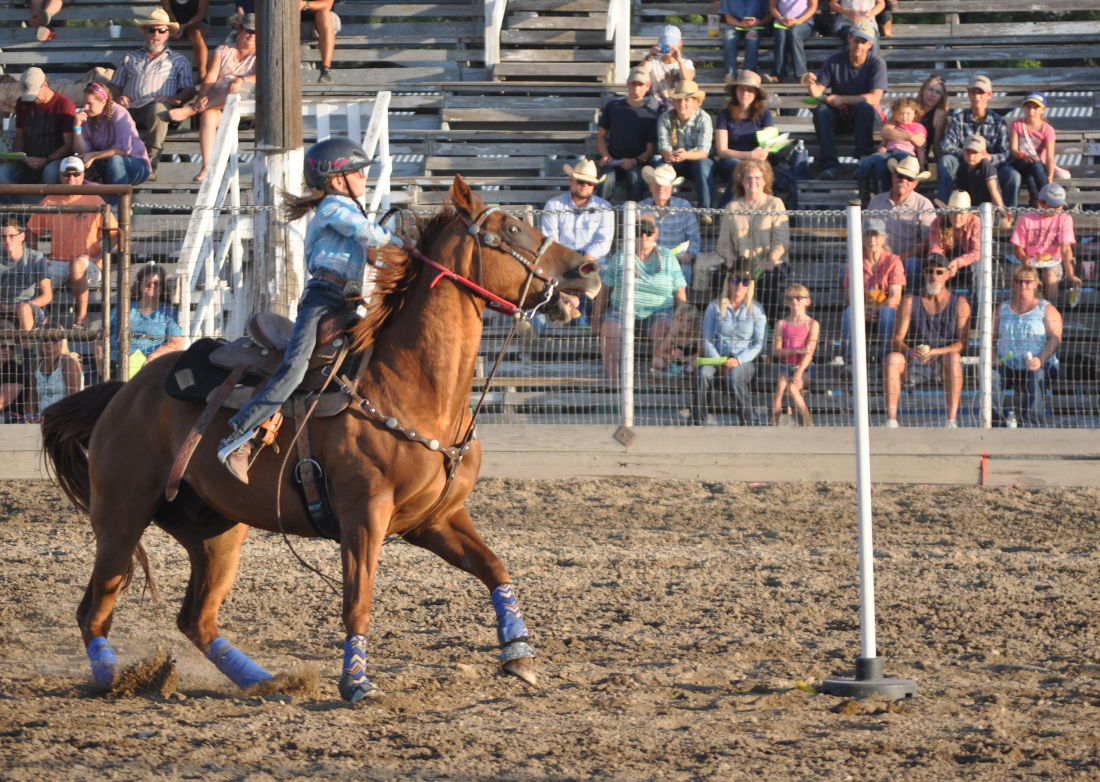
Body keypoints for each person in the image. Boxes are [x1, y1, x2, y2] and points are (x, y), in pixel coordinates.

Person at [217, 137, 397, 483]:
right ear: (336, 179)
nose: (364, 178)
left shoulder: (348, 207)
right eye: (358, 172)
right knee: (295, 367)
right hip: (321, 300)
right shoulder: (333, 208)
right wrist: (405, 245)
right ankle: (238, 434)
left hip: (345, 302)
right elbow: (370, 236)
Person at [27, 156, 119, 329]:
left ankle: (81, 319)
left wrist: (100, 256)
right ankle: (41, 322)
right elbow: (31, 231)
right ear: (60, 176)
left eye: (76, 174)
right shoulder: (50, 200)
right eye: (67, 174)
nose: (71, 178)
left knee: (76, 265)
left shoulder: (95, 199)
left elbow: (114, 233)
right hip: (59, 261)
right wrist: (37, 258)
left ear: (83, 175)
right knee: (35, 277)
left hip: (88, 263)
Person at [883, 254, 971, 428]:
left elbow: (963, 343)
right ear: (923, 274)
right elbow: (897, 339)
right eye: (929, 271)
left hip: (943, 359)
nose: (934, 276)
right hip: (915, 359)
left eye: (939, 272)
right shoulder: (910, 301)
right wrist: (909, 351)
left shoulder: (959, 302)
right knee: (893, 359)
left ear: (947, 274)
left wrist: (936, 352)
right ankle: (891, 420)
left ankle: (951, 420)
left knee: (954, 358)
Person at [167, 14, 257, 182]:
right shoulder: (223, 50)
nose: (252, 35)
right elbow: (210, 77)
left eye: (256, 32)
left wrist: (242, 79)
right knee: (208, 115)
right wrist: (202, 96)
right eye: (249, 30)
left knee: (237, 89)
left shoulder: (260, 54)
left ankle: (191, 110)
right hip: (215, 104)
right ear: (240, 29)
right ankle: (207, 166)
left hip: (243, 103)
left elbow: (261, 76)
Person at [110, 8, 197, 177]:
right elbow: (115, 85)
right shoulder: (130, 57)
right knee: (108, 110)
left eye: (161, 30)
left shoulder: (178, 60)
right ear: (145, 32)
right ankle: (108, 166)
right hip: (130, 108)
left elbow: (189, 90)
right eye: (151, 29)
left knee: (158, 110)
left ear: (168, 33)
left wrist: (173, 100)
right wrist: (119, 97)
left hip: (159, 110)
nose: (156, 34)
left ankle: (150, 162)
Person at [598, 214, 687, 380]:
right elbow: (604, 290)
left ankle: (659, 379)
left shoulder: (668, 257)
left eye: (648, 231)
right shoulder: (620, 257)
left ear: (656, 234)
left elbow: (680, 293)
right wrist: (597, 320)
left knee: (665, 327)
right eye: (639, 231)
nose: (644, 236)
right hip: (621, 308)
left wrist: (683, 320)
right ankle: (614, 381)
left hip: (659, 309)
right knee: (610, 328)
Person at [802, 20, 886, 180]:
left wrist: (842, 99)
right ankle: (829, 165)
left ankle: (863, 161)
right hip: (841, 116)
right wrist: (810, 83)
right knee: (821, 111)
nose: (859, 46)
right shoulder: (834, 61)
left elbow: (875, 97)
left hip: (866, 118)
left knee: (864, 107)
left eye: (864, 42)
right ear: (849, 38)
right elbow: (817, 92)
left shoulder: (877, 63)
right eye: (856, 40)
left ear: (870, 44)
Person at [540, 159, 615, 326]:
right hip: (562, 255)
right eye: (581, 181)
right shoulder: (553, 204)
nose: (585, 185)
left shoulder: (605, 207)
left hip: (591, 257)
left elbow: (604, 242)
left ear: (594, 186)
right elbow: (550, 238)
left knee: (600, 269)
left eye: (589, 183)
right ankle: (573, 316)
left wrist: (584, 260)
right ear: (571, 181)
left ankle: (577, 314)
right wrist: (569, 259)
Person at [714, 159, 789, 320]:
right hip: (739, 263)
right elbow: (723, 242)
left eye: (757, 177)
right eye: (748, 177)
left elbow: (781, 239)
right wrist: (729, 259)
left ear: (765, 180)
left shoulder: (775, 204)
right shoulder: (731, 207)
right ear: (741, 181)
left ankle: (769, 323)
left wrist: (772, 259)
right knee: (719, 276)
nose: (752, 181)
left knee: (769, 278)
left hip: (768, 262)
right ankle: (724, 320)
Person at [694, 269, 767, 425]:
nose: (740, 285)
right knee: (704, 374)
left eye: (745, 282)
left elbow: (758, 343)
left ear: (750, 285)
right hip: (718, 357)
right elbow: (707, 339)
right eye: (735, 280)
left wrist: (738, 360)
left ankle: (748, 420)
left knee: (735, 377)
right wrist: (720, 361)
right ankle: (698, 419)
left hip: (744, 360)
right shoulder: (714, 306)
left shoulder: (756, 309)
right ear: (728, 282)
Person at [993, 264, 1062, 427]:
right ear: (1013, 283)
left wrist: (1041, 358)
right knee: (991, 375)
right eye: (1018, 281)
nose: (1023, 285)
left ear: (1037, 283)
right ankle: (995, 422)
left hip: (1039, 363)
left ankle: (1032, 424)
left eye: (1028, 281)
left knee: (1036, 374)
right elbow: (991, 337)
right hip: (1007, 363)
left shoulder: (1047, 309)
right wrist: (993, 356)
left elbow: (1055, 338)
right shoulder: (1002, 308)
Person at [938, 74, 1019, 207]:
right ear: (968, 94)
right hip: (963, 167)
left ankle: (1009, 218)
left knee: (1013, 176)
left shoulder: (998, 122)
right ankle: (943, 212)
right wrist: (967, 154)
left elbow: (1006, 155)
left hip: (990, 168)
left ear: (989, 95)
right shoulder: (959, 119)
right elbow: (946, 145)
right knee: (946, 161)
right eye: (973, 92)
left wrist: (989, 158)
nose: (976, 96)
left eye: (981, 92)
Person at [0, 68, 75, 201]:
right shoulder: (22, 103)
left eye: (35, 94)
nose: (33, 99)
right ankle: (15, 215)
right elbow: (20, 135)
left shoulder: (64, 104)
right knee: (3, 173)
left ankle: (46, 213)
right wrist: (16, 156)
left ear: (45, 85)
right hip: (28, 160)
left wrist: (46, 160)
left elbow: (68, 144)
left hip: (54, 160)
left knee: (51, 173)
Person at [866, 155, 935, 292]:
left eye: (909, 178)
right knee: (849, 269)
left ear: (916, 182)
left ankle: (910, 304)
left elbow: (928, 241)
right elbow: (864, 234)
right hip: (876, 259)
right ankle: (863, 308)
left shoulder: (924, 204)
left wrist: (899, 258)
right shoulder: (875, 201)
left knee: (913, 265)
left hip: (908, 260)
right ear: (893, 176)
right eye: (900, 175)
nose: (903, 180)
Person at [841, 217, 904, 363]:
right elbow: (849, 296)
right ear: (862, 238)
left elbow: (895, 296)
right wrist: (863, 309)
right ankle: (850, 362)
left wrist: (878, 309)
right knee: (850, 312)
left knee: (888, 313)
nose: (872, 240)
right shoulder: (854, 260)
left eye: (876, 235)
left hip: (885, 311)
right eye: (868, 235)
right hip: (862, 310)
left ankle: (885, 360)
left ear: (884, 238)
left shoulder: (894, 260)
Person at [108, 262, 184, 377]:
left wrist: (153, 357)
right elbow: (103, 335)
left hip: (151, 366)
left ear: (162, 287)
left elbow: (176, 343)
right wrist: (100, 358)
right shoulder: (124, 307)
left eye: (156, 283)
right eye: (147, 282)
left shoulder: (167, 312)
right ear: (139, 285)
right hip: (116, 362)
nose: (152, 286)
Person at [595, 67, 659, 203]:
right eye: (633, 83)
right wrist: (606, 156)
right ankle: (600, 214)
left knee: (635, 177)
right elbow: (601, 136)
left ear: (647, 86)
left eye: (640, 84)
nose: (636, 87)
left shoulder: (651, 115)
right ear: (628, 84)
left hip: (637, 163)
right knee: (606, 179)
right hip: (613, 161)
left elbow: (650, 149)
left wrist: (635, 161)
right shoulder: (613, 107)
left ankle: (634, 218)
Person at [72, 82, 152, 190]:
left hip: (135, 164)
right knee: (69, 166)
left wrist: (94, 155)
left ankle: (117, 205)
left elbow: (122, 150)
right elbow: (83, 153)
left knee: (115, 160)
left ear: (103, 102)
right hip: (104, 165)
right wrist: (77, 128)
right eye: (84, 103)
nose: (85, 107)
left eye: (89, 104)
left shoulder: (119, 113)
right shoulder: (86, 117)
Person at [1009, 183, 1080, 304]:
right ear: (1041, 203)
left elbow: (1066, 248)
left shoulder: (1065, 218)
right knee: (1028, 278)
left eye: (1060, 205)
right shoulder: (1026, 219)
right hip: (1031, 262)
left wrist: (1070, 274)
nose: (1058, 209)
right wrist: (1024, 258)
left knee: (1050, 275)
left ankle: (1051, 308)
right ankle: (1031, 310)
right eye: (1054, 205)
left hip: (1054, 262)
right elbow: (1018, 249)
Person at [714, 70, 775, 204]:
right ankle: (723, 210)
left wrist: (755, 157)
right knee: (738, 167)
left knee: (755, 171)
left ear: (756, 93)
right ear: (735, 91)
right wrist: (749, 154)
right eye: (741, 89)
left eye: (749, 90)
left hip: (757, 162)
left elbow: (767, 146)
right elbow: (722, 151)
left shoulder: (765, 114)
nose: (745, 93)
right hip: (730, 162)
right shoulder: (724, 115)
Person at [656, 80, 715, 213]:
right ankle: (660, 208)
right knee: (660, 166)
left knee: (703, 164)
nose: (682, 104)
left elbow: (704, 151)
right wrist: (668, 154)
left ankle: (706, 211)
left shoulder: (703, 118)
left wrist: (686, 155)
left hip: (696, 161)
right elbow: (663, 145)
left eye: (686, 100)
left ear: (695, 101)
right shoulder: (665, 117)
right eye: (678, 100)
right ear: (674, 102)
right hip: (674, 161)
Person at [637, 164, 701, 285]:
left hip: (676, 262)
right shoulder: (640, 208)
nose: (661, 187)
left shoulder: (684, 207)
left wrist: (689, 254)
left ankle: (678, 304)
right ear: (650, 186)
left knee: (684, 272)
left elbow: (695, 239)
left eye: (665, 184)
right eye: (657, 183)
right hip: (645, 261)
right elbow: (630, 239)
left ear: (672, 187)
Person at [854, 96, 926, 200]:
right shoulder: (894, 125)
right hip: (889, 152)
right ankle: (864, 189)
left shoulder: (918, 127)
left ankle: (893, 195)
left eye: (908, 113)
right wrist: (881, 150)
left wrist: (921, 165)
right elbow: (884, 142)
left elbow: (920, 146)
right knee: (868, 162)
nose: (905, 117)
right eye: (902, 113)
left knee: (903, 164)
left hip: (905, 153)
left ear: (915, 114)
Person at [770, 283, 819, 426]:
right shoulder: (782, 324)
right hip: (785, 366)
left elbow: (809, 353)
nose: (795, 301)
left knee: (792, 387)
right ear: (786, 302)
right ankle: (774, 419)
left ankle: (806, 419)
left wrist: (799, 372)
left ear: (807, 301)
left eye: (799, 298)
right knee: (780, 387)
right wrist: (796, 350)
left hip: (806, 367)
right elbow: (776, 351)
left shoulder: (812, 324)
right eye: (791, 298)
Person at [0, 217, 52, 331]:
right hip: (2, 307)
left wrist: (18, 307)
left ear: (22, 236)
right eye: (3, 236)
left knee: (24, 309)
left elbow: (47, 296)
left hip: (29, 308)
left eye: (11, 236)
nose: (7, 240)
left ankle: (27, 349)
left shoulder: (35, 258)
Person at [953, 134, 1012, 230]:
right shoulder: (962, 168)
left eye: (975, 152)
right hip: (970, 210)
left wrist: (1002, 211)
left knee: (1005, 224)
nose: (971, 156)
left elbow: (994, 190)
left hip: (989, 209)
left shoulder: (986, 165)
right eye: (968, 152)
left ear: (983, 153)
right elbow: (960, 193)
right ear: (963, 152)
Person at [1009, 92, 1057, 207]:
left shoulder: (1047, 130)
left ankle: (1035, 204)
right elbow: (1013, 150)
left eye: (1035, 108)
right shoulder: (1017, 125)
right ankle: (1048, 197)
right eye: (1028, 107)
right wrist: (1024, 156)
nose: (1031, 111)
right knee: (1035, 164)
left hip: (1038, 167)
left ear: (1043, 110)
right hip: (1020, 162)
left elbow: (1050, 157)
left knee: (1031, 177)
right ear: (1024, 108)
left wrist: (1050, 176)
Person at [929, 190, 980, 293]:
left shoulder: (976, 223)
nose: (957, 217)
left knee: (976, 268)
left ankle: (974, 302)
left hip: (969, 265)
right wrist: (942, 264)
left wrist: (958, 262)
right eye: (953, 212)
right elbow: (935, 248)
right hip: (945, 262)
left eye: (961, 213)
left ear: (968, 213)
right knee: (933, 265)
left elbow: (976, 252)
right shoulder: (937, 222)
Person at [637, 25, 696, 106]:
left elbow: (687, 80)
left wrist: (679, 61)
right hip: (655, 109)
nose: (669, 46)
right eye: (665, 43)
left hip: (677, 109)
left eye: (672, 43)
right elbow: (638, 75)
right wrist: (649, 56)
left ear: (680, 43)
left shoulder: (686, 63)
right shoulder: (652, 61)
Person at [29, 335, 82, 418]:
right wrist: (28, 416)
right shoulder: (36, 365)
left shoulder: (69, 363)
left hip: (65, 416)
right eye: (45, 339)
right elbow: (32, 396)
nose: (49, 343)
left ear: (62, 342)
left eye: (54, 339)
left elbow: (75, 398)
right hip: (41, 417)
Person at [767, 0, 817, 83]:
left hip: (804, 23)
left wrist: (799, 20)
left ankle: (801, 74)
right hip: (782, 22)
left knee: (794, 34)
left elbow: (813, 7)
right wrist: (780, 18)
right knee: (781, 35)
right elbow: (773, 6)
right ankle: (777, 75)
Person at [719, 0, 771, 78]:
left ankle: (749, 73)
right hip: (735, 25)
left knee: (752, 36)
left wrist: (758, 22)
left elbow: (769, 15)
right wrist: (740, 24)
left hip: (757, 26)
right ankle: (731, 74)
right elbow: (728, 18)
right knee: (728, 38)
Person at [162, 0, 210, 80]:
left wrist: (184, 26)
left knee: (196, 33)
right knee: (160, 32)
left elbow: (201, 14)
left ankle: (202, 72)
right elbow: (167, 11)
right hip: (173, 23)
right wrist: (176, 26)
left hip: (197, 23)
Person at [653, 302, 699, 375]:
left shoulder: (697, 335)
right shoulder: (673, 334)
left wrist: (687, 359)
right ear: (676, 320)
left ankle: (685, 372)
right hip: (673, 364)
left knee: (697, 361)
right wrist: (671, 357)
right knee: (656, 360)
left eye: (688, 321)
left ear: (695, 322)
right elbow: (658, 352)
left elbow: (701, 353)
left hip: (689, 364)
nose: (684, 324)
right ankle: (669, 372)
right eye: (681, 320)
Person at [916, 74, 948, 161]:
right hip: (899, 149)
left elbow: (936, 145)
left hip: (920, 158)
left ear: (941, 98)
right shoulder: (909, 106)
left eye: (938, 92)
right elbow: (887, 130)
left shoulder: (939, 114)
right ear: (923, 91)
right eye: (930, 89)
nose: (933, 95)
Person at [0, 328, 28, 422]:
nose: (7, 350)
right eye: (3, 346)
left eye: (11, 347)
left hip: (10, 417)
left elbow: (2, 402)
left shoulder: (15, 369)